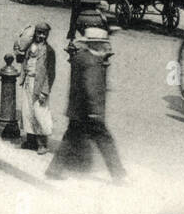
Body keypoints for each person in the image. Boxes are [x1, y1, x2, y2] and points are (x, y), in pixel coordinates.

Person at [46, 21, 127, 183]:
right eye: (103, 44)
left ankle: (54, 170)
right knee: (105, 140)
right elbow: (91, 88)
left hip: (76, 109)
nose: (105, 47)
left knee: (69, 139)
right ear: (97, 44)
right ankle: (118, 174)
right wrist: (96, 111)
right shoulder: (93, 63)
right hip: (90, 112)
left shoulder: (79, 58)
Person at [17, 21, 56, 154]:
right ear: (35, 34)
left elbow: (51, 73)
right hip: (28, 81)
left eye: (44, 34)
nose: (42, 36)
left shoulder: (49, 51)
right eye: (39, 33)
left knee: (40, 113)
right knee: (27, 111)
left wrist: (45, 91)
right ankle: (30, 140)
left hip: (39, 85)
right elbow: (22, 59)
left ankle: (42, 143)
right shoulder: (29, 47)